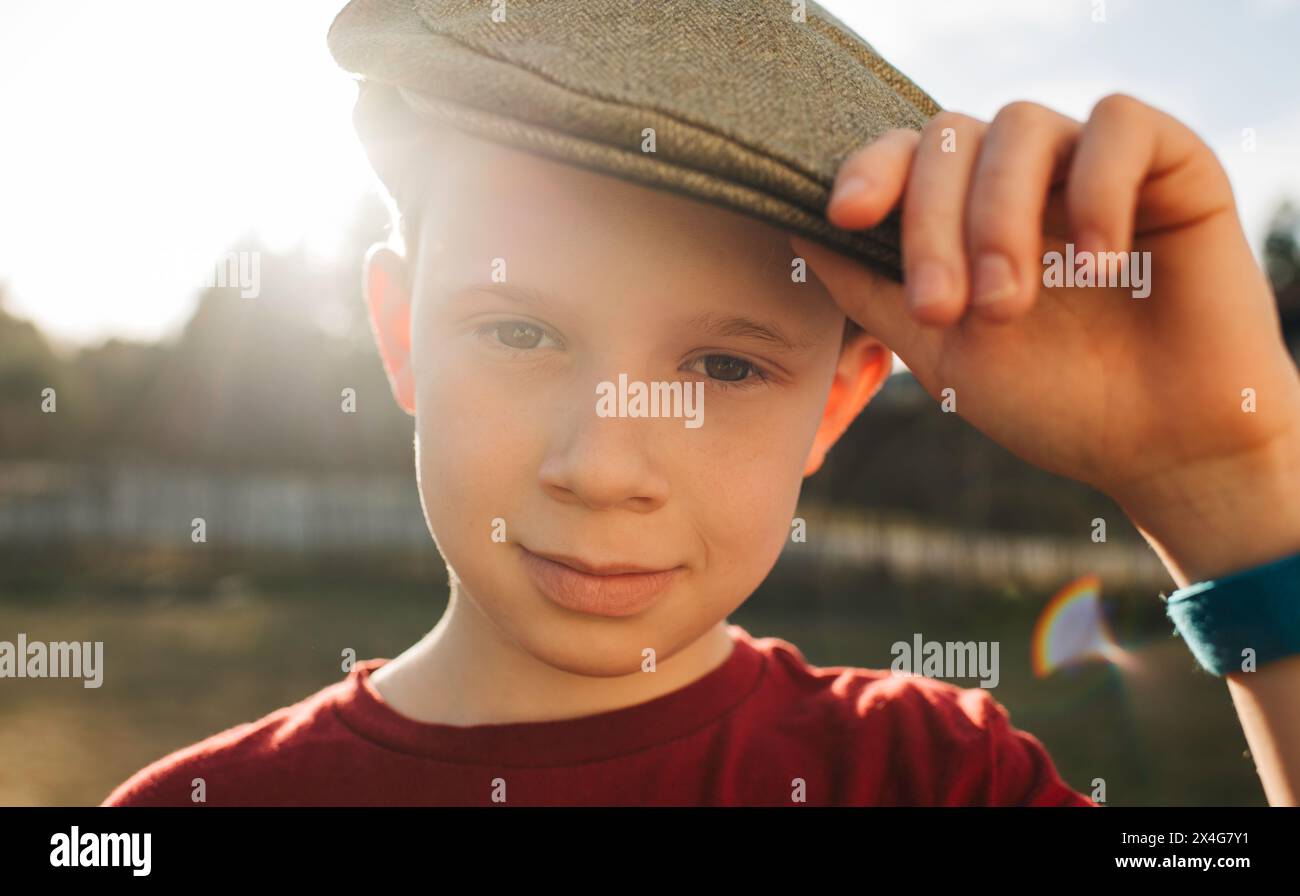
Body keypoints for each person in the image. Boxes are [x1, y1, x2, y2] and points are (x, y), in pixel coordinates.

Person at [101, 1, 1300, 807]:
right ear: (403, 334)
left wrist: (1229, 488)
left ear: (835, 404)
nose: (605, 464)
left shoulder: (932, 779)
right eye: (516, 331)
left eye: (726, 367)